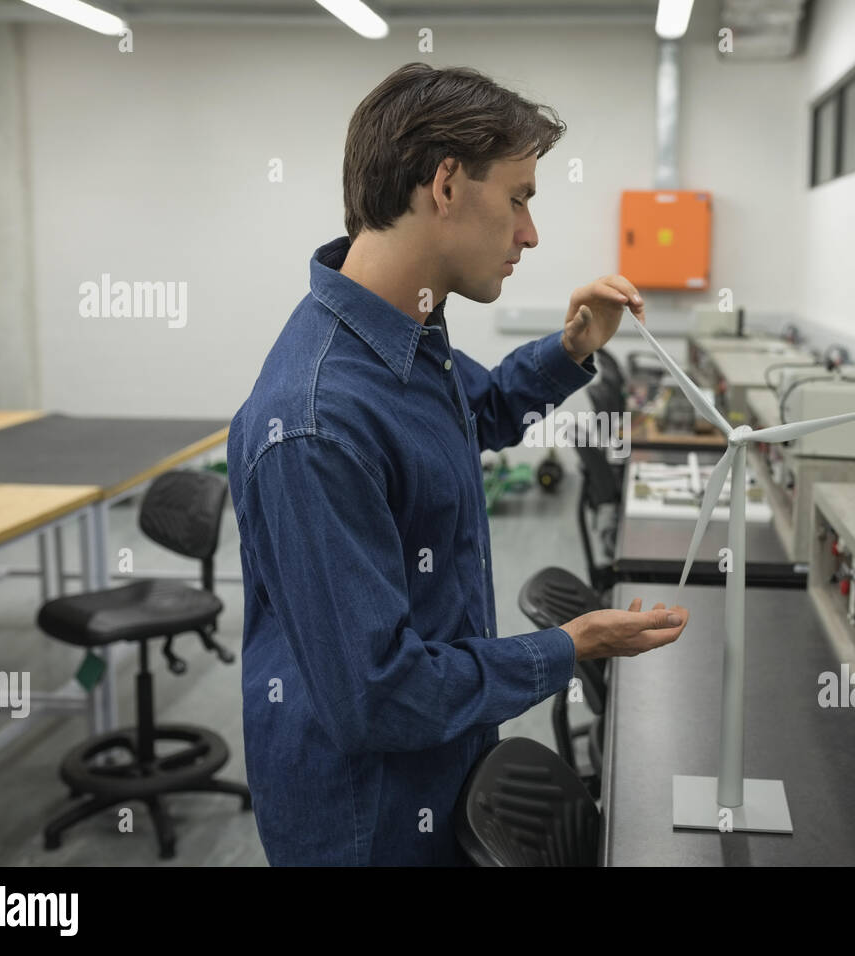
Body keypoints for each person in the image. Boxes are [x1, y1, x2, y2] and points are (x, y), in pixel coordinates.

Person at [226, 62, 690, 866]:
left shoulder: (406, 333)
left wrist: (574, 344)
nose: (530, 232)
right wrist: (569, 646)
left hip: (440, 768)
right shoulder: (313, 424)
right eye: (519, 198)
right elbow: (380, 695)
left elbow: (477, 412)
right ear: (445, 184)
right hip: (368, 820)